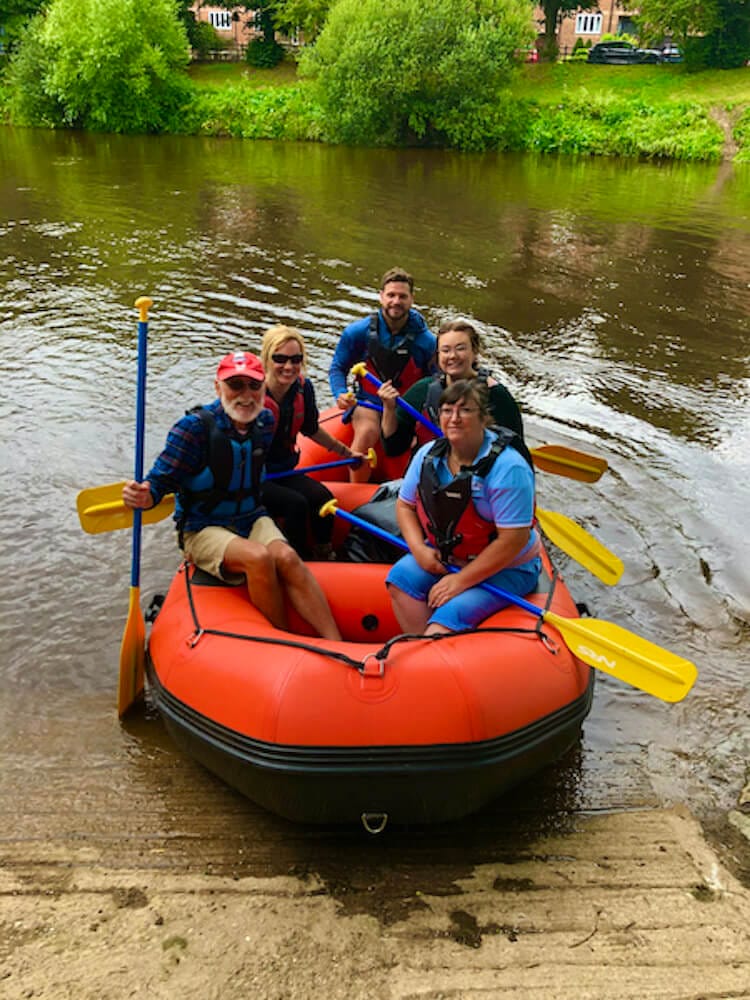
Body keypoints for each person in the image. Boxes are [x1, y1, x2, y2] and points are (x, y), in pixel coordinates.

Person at [122, 350, 342, 641]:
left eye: (253, 386)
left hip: (250, 516)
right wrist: (143, 496)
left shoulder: (263, 422)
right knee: (259, 557)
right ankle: (285, 641)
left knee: (288, 557)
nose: (246, 395)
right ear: (218, 387)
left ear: (263, 388)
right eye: (235, 385)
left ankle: (335, 642)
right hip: (202, 526)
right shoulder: (192, 430)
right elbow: (160, 481)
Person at [386, 379, 541, 635]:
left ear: (483, 418)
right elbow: (405, 506)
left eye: (465, 410)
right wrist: (419, 550)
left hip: (507, 567)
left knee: (445, 619)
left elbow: (513, 540)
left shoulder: (508, 468)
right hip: (450, 555)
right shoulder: (427, 455)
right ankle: (420, 652)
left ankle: (434, 647)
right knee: (400, 580)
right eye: (447, 411)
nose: (454, 418)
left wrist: (461, 580)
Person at [260, 324, 365, 561]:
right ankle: (299, 559)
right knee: (295, 504)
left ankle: (324, 552)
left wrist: (346, 453)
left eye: (296, 359)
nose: (289, 366)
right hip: (253, 477)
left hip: (282, 471)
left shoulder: (303, 388)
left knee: (323, 500)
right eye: (280, 359)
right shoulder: (253, 394)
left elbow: (311, 429)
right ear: (267, 358)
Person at [328, 266, 436, 481]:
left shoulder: (427, 342)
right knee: (368, 431)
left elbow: (435, 382)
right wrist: (340, 393)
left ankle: (404, 492)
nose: (396, 301)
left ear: (411, 299)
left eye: (402, 296)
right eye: (391, 295)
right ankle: (356, 491)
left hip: (406, 407)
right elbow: (337, 368)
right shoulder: (358, 333)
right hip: (368, 402)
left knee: (411, 446)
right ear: (381, 297)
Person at [379, 318, 523, 461]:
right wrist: (389, 409)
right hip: (429, 475)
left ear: (474, 352)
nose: (452, 356)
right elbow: (393, 448)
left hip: (479, 478)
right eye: (446, 350)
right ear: (438, 355)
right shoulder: (422, 390)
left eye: (460, 348)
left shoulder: (497, 396)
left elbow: (517, 454)